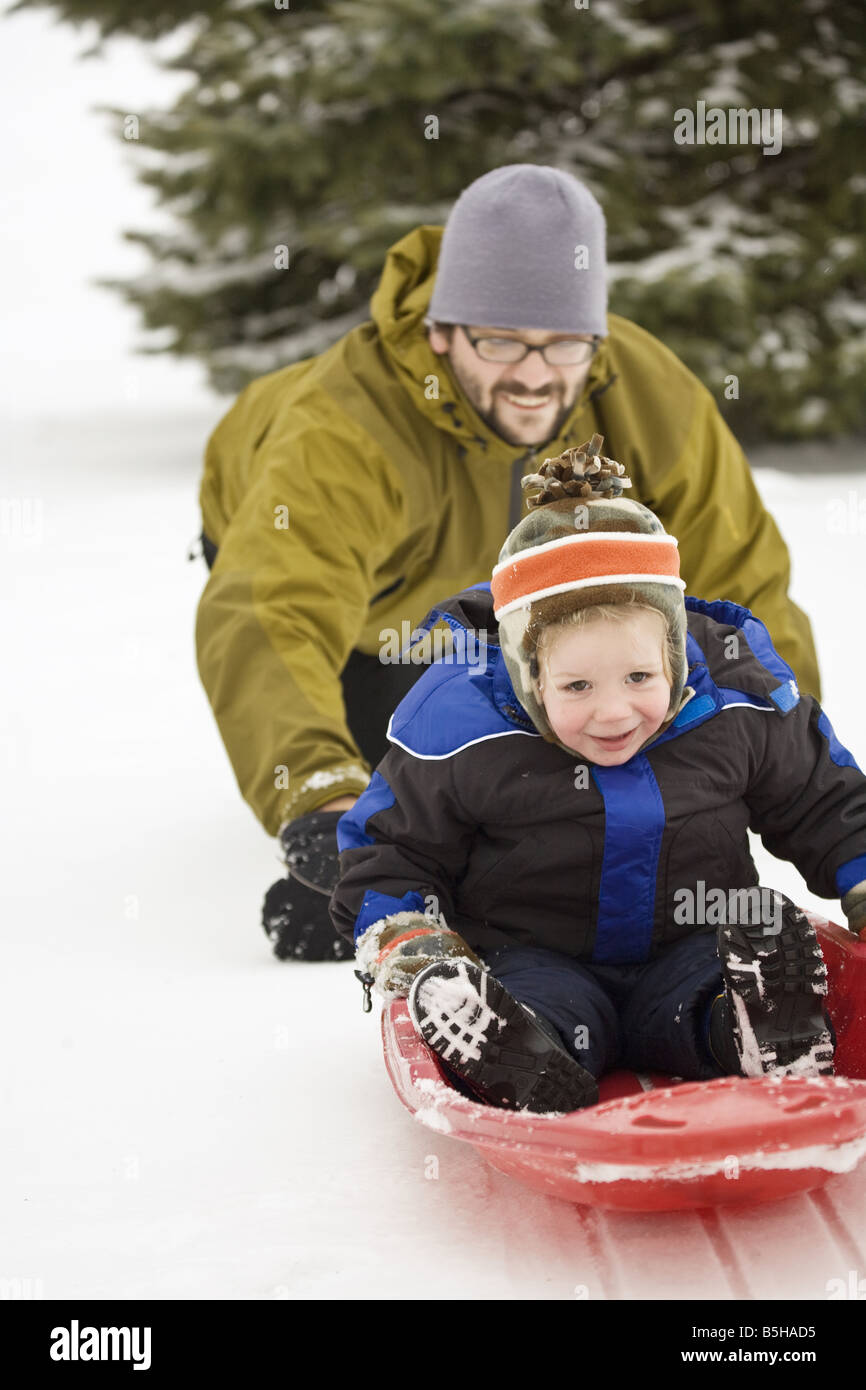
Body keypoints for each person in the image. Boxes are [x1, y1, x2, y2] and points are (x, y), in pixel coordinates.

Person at [194, 163, 822, 963]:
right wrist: (320, 794)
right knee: (423, 758)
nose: (533, 374)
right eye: (498, 341)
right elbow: (268, 607)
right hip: (359, 600)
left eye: (563, 344)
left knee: (576, 715)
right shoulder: (345, 428)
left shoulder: (646, 391)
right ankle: (385, 885)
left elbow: (743, 583)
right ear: (441, 332)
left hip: (541, 602)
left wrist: (777, 760)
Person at [329, 439, 866, 1112]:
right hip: (534, 954)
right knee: (541, 1004)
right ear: (528, 675)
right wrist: (409, 931)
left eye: (640, 677)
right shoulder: (463, 726)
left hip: (694, 942)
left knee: (708, 993)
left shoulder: (735, 702)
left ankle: (756, 1029)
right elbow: (393, 847)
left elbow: (826, 803)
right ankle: (520, 1054)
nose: (614, 712)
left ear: (673, 649)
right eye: (577, 685)